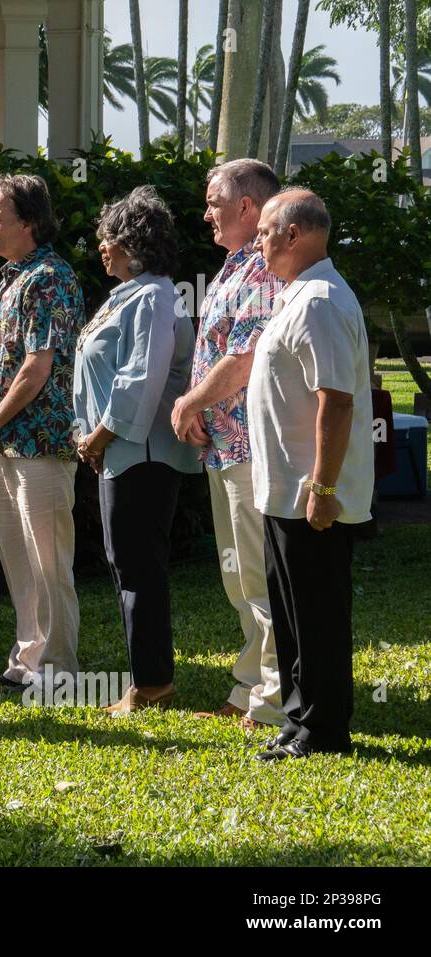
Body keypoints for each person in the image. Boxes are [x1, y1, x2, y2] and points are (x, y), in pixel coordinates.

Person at [247, 190, 373, 761]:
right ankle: (300, 721)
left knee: (317, 616)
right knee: (293, 612)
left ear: (294, 235)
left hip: (310, 493)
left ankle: (323, 731)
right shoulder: (298, 295)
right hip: (286, 491)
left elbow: (337, 402)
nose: (259, 241)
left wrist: (323, 487)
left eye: (266, 231)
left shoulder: (320, 299)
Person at [169, 158, 287, 730]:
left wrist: (191, 403)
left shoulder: (261, 273)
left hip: (250, 450)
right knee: (237, 575)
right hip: (223, 446)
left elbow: (241, 361)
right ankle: (251, 685)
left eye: (215, 202)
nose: (207, 213)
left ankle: (269, 700)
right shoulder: (231, 269)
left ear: (247, 207)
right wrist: (198, 411)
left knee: (258, 577)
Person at [74, 187, 201, 712]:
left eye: (109, 238)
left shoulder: (153, 297)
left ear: (133, 242)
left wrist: (99, 436)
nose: (101, 248)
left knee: (137, 565)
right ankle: (146, 681)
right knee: (128, 562)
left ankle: (153, 686)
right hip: (121, 452)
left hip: (141, 453)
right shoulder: (128, 295)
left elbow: (139, 380)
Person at [0, 174, 85, 692]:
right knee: (18, 562)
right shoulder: (13, 275)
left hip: (40, 444)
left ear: (30, 222)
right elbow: (4, 363)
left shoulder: (50, 278)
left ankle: (58, 672)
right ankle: (26, 662)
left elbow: (37, 368)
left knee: (48, 562)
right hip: (5, 445)